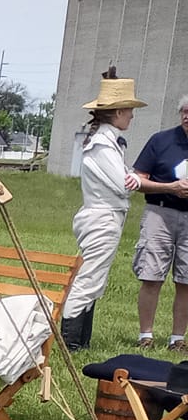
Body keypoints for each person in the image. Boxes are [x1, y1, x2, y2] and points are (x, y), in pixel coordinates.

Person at [58, 71, 146, 350]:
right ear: (118, 111)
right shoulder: (101, 145)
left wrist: (133, 178)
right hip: (102, 216)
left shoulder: (108, 141)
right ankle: (70, 342)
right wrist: (135, 180)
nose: (132, 116)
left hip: (106, 215)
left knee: (95, 279)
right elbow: (124, 184)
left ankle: (80, 341)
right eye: (129, 111)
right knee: (88, 279)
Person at [130, 91, 188, 350]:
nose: (187, 117)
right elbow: (138, 180)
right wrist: (170, 188)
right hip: (159, 213)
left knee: (186, 279)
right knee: (151, 275)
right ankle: (146, 335)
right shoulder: (161, 140)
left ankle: (177, 339)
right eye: (184, 112)